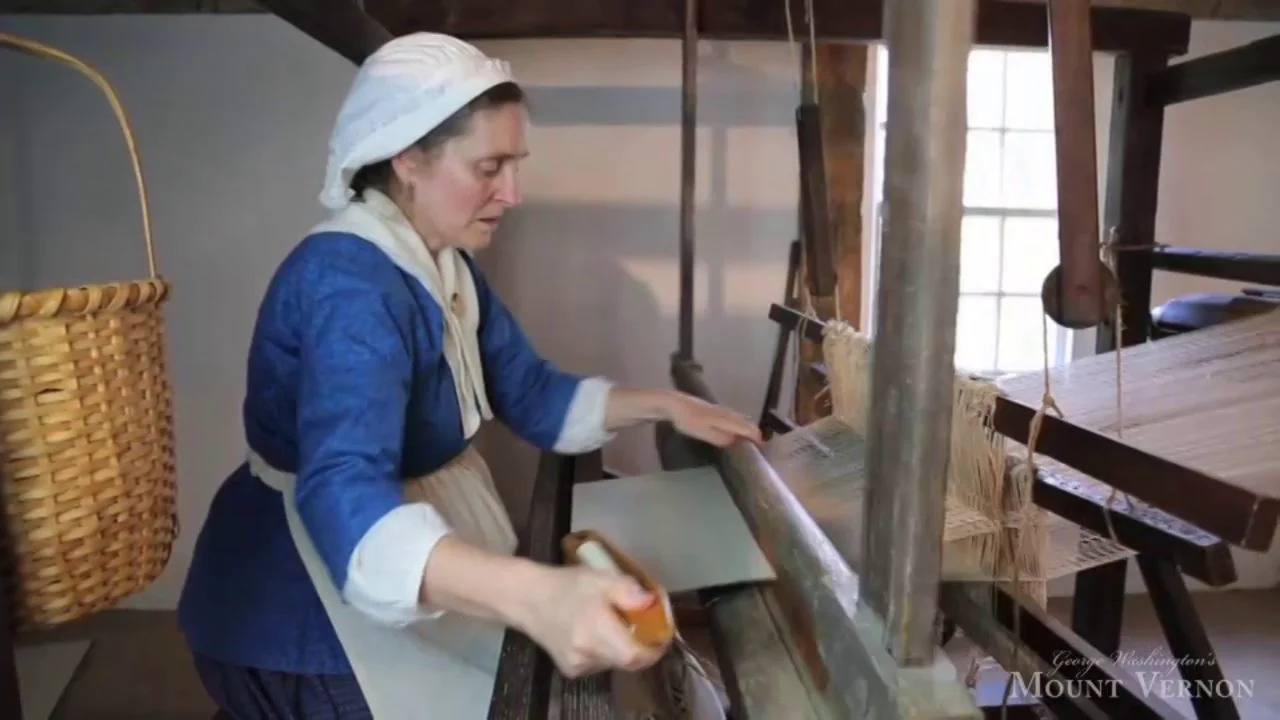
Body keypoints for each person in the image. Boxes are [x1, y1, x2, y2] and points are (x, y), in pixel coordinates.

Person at [176, 32, 762, 718]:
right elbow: (344, 495)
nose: (511, 193)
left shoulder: (446, 265)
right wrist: (539, 594)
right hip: (307, 609)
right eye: (489, 166)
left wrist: (665, 405)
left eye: (515, 164)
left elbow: (531, 392)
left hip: (407, 542)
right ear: (409, 159)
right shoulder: (349, 285)